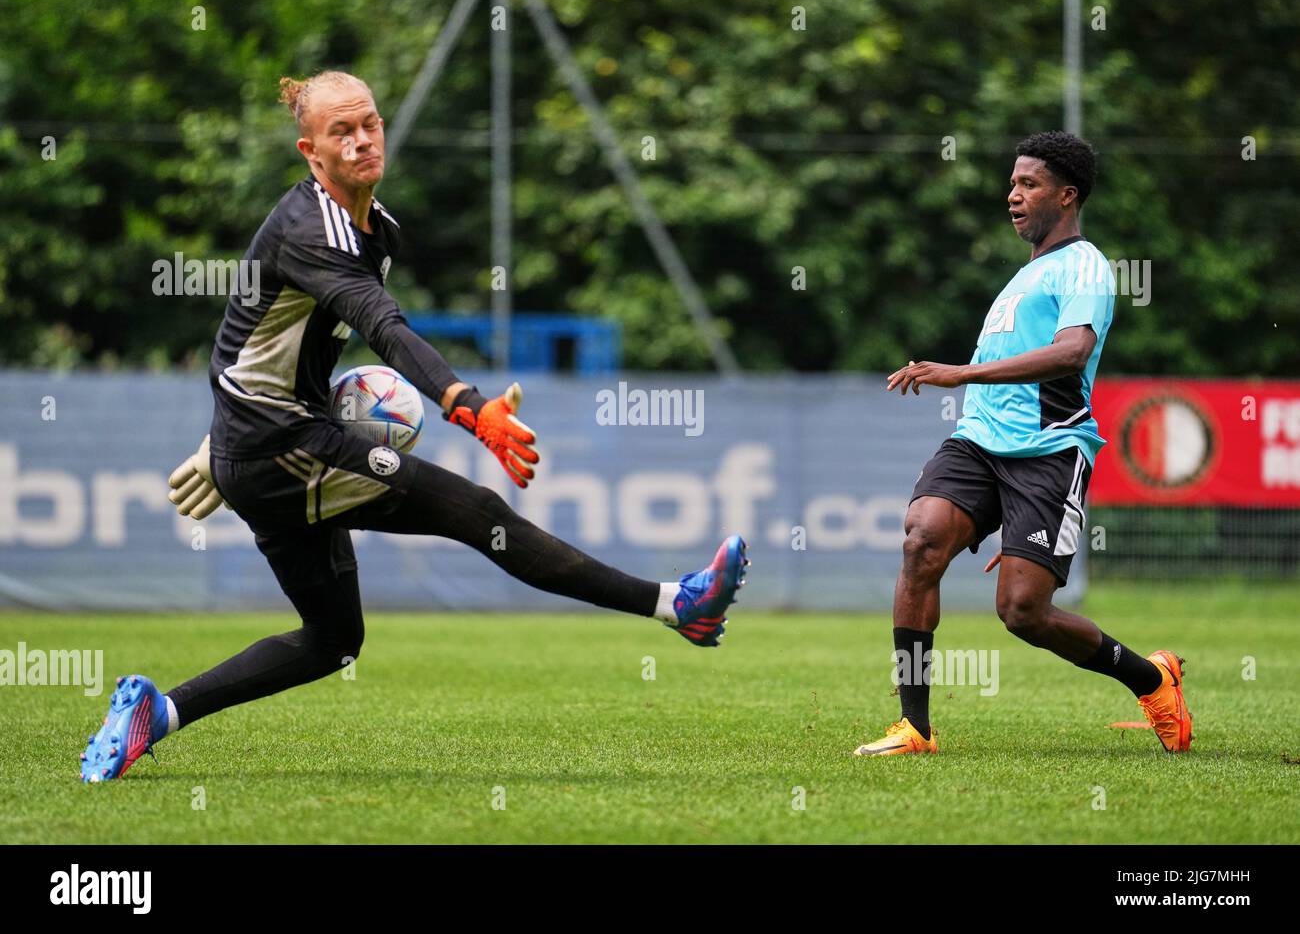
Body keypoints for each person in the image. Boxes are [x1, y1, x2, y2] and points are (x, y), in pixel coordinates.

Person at [79, 71, 747, 783]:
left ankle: (158, 713)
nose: (363, 138)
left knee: (334, 641)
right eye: (343, 131)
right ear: (312, 152)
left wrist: (225, 439)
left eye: (370, 122)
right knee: (478, 512)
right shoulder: (314, 229)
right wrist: (467, 404)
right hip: (284, 450)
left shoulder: (379, 228)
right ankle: (680, 606)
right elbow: (384, 327)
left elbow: (270, 337)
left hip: (271, 445)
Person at [855, 131, 1190, 757]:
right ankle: (915, 727)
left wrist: (962, 373)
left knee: (1023, 613)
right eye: (1012, 183)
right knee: (921, 539)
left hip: (1048, 453)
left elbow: (1072, 353)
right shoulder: (1024, 274)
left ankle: (1153, 680)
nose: (1012, 195)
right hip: (978, 443)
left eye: (1027, 184)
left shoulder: (1086, 265)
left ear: (1066, 195)